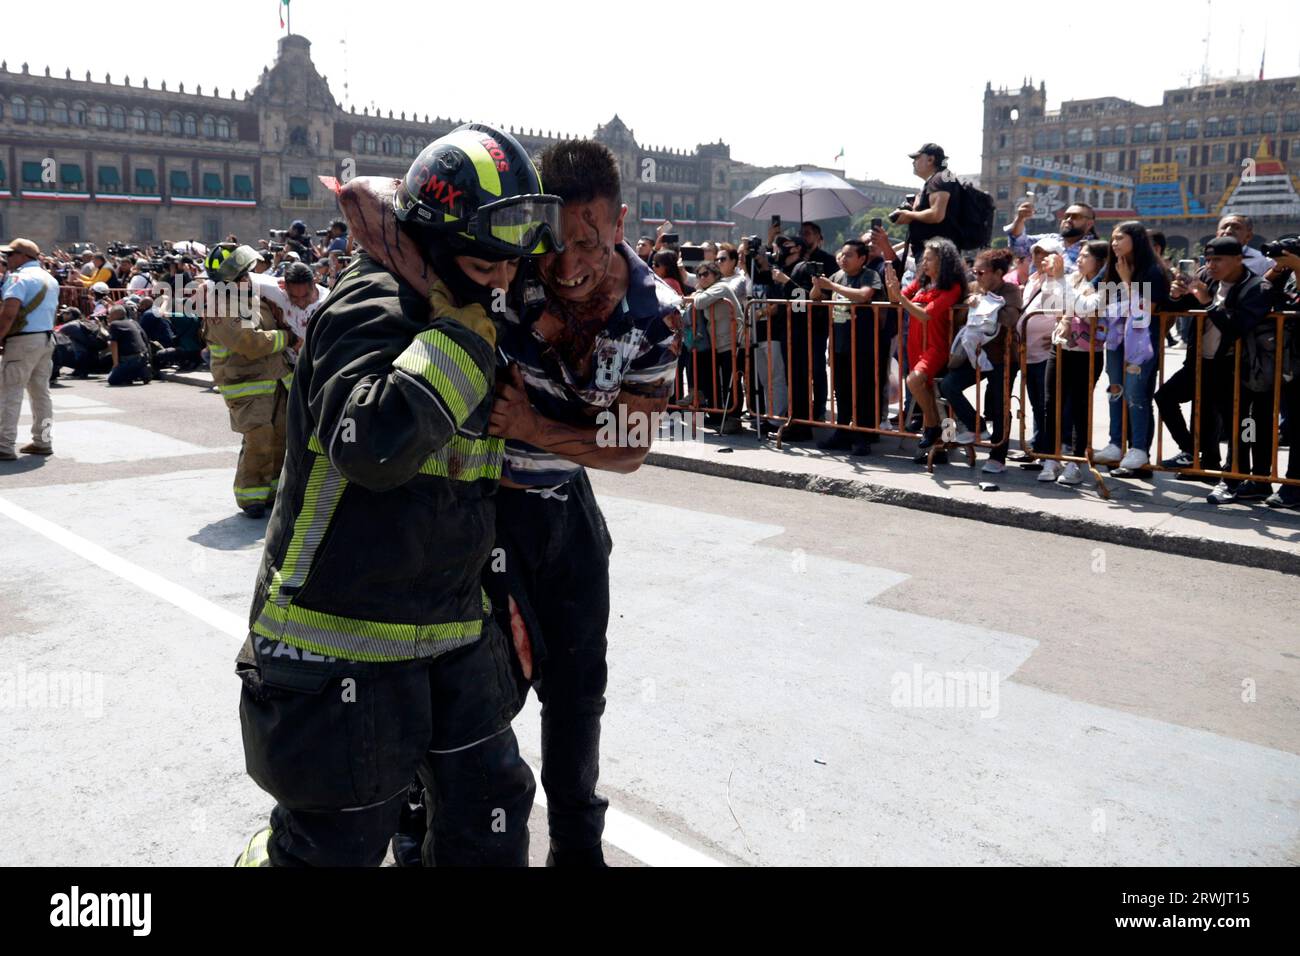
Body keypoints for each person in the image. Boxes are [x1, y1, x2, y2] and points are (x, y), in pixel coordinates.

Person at [234, 123, 561, 868]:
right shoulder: (372, 306)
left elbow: (470, 486)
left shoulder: (469, 307)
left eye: (511, 265)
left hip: (452, 631)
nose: (501, 283)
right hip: (337, 640)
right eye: (484, 264)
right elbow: (372, 444)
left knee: (491, 816)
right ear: (435, 244)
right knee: (334, 844)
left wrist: (503, 595)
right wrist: (463, 340)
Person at [1169, 237, 1277, 505]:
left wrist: (1207, 302)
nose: (1211, 265)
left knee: (1241, 425)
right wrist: (1178, 295)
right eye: (1208, 259)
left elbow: (1237, 326)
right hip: (1204, 362)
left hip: (1242, 368)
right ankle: (1200, 459)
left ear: (1238, 259)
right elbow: (1184, 309)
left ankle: (1237, 479)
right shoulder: (1208, 279)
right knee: (1171, 398)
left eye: (1218, 259)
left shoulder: (1258, 287)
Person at [200, 244, 295, 517]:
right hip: (245, 383)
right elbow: (249, 342)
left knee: (280, 436)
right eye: (242, 275)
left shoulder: (250, 298)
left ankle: (272, 492)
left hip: (274, 379)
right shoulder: (221, 308)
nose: (248, 278)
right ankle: (250, 496)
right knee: (259, 438)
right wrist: (286, 338)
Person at [1092, 220, 1172, 474]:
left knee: (1136, 394)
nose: (1114, 243)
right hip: (1116, 341)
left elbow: (1144, 310)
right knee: (1115, 389)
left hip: (1141, 343)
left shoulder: (1153, 270)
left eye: (1120, 238)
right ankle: (1115, 443)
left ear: (1135, 240)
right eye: (1113, 238)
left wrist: (1127, 282)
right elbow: (1094, 292)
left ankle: (1139, 449)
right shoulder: (1112, 266)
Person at [939, 247, 1022, 474]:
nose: (977, 276)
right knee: (948, 385)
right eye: (974, 272)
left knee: (999, 406)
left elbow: (1010, 318)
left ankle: (998, 456)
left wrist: (985, 305)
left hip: (1003, 358)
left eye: (981, 272)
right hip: (975, 354)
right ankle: (976, 425)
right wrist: (969, 304)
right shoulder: (974, 288)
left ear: (998, 273)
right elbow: (959, 317)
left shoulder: (1011, 290)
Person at [883, 237, 965, 462]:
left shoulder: (953, 287)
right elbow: (896, 300)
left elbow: (926, 314)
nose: (924, 263)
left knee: (916, 382)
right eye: (924, 259)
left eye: (929, 259)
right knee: (928, 391)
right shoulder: (922, 283)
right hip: (915, 344)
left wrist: (900, 297)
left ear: (943, 261)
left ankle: (932, 428)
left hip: (936, 346)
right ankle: (938, 447)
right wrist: (892, 287)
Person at [1045, 240, 1109, 485]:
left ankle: (1076, 461)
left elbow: (1086, 310)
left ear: (1100, 261)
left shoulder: (1107, 286)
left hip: (1088, 353)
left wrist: (1068, 311)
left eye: (1085, 256)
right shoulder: (1072, 279)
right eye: (1079, 255)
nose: (1079, 260)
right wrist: (1053, 277)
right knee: (1052, 403)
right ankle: (1051, 457)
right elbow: (1052, 306)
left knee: (1079, 407)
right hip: (1060, 347)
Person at [812, 239, 882, 455]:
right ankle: (842, 431)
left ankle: (862, 435)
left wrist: (832, 286)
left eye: (849, 255)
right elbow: (816, 298)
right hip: (839, 342)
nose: (843, 258)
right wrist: (817, 285)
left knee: (862, 389)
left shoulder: (870, 275)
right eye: (842, 254)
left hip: (862, 342)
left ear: (862, 258)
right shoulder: (837, 276)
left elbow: (864, 295)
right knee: (841, 389)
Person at [0, 238, 59, 460]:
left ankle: (4, 444)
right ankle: (43, 440)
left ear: (23, 256)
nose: (7, 259)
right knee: (41, 394)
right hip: (45, 339)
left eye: (10, 254)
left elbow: (9, 313)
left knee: (10, 392)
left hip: (23, 341)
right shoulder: (50, 279)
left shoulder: (18, 278)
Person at [689, 260, 745, 431]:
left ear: (716, 274)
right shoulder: (709, 290)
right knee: (714, 381)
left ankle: (734, 418)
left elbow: (699, 302)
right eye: (699, 275)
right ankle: (717, 415)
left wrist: (698, 291)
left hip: (732, 342)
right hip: (717, 343)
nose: (702, 278)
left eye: (706, 274)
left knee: (731, 382)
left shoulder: (721, 287)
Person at [892, 144, 960, 262]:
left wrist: (908, 214)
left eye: (917, 158)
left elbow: (937, 214)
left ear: (930, 159)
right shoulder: (940, 179)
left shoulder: (939, 178)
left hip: (935, 255)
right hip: (934, 253)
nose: (913, 162)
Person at [1004, 201, 1098, 273]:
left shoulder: (1096, 249)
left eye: (1075, 217)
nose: (1068, 220)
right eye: (1066, 216)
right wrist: (1020, 218)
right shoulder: (1050, 239)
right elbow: (1018, 245)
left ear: (1089, 224)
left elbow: (1102, 282)